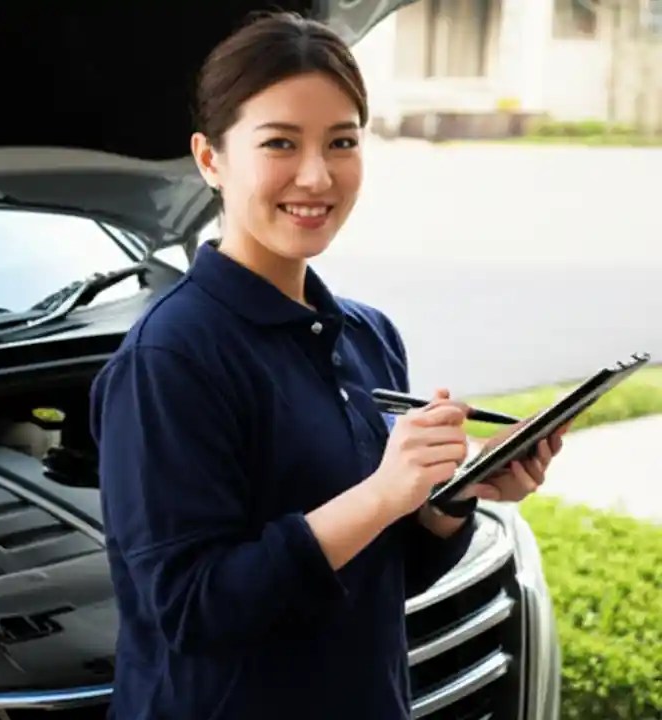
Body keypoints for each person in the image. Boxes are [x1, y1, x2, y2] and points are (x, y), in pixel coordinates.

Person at [89, 12, 567, 720]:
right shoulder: (169, 359)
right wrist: (380, 495)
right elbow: (190, 611)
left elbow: (379, 576)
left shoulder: (368, 337)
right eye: (280, 142)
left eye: (342, 142)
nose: (316, 176)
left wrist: (446, 501)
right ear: (210, 159)